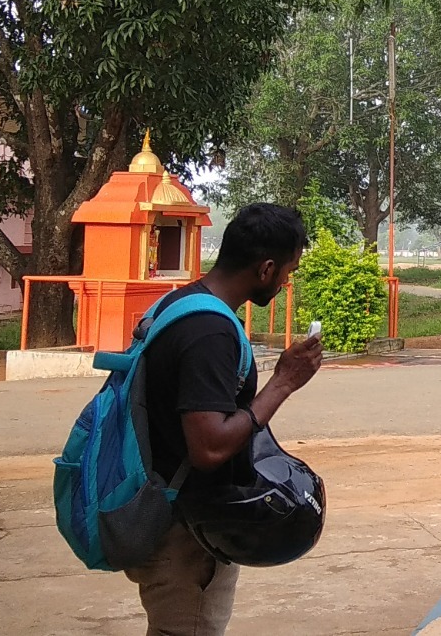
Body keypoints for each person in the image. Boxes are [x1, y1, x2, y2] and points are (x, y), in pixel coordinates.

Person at [127, 203, 324, 636]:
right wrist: (284, 383)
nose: (287, 281)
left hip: (167, 506)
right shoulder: (209, 331)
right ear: (266, 268)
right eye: (288, 271)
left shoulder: (182, 303)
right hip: (183, 531)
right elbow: (210, 446)